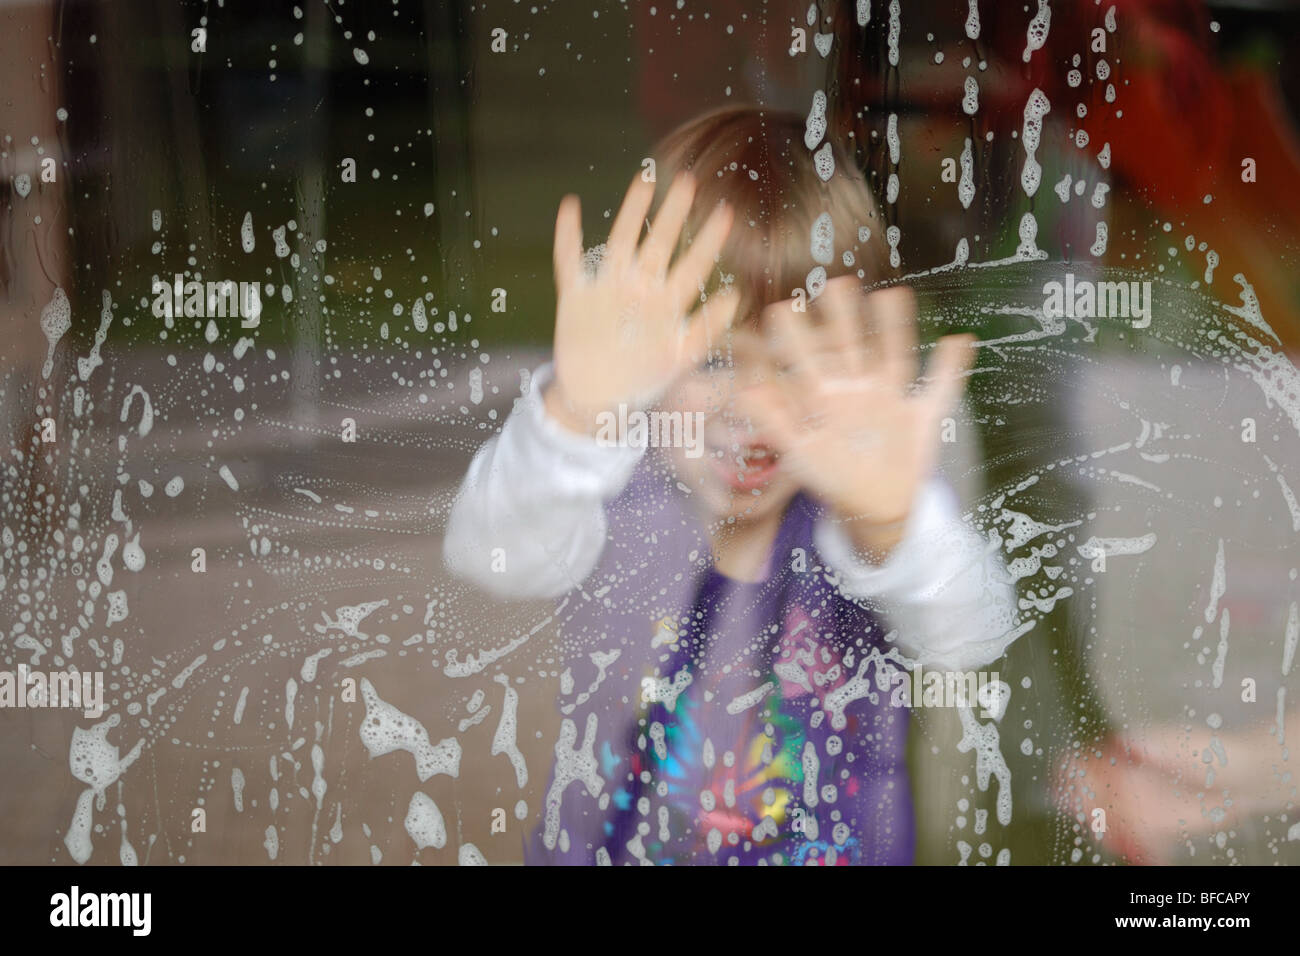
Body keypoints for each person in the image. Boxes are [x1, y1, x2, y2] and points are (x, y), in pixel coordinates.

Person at [443, 106, 1022, 865]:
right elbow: (492, 554)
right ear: (638, 348)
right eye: (715, 359)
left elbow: (969, 638)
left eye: (789, 364)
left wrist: (892, 523)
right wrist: (574, 419)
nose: (748, 407)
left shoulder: (861, 507)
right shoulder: (607, 474)